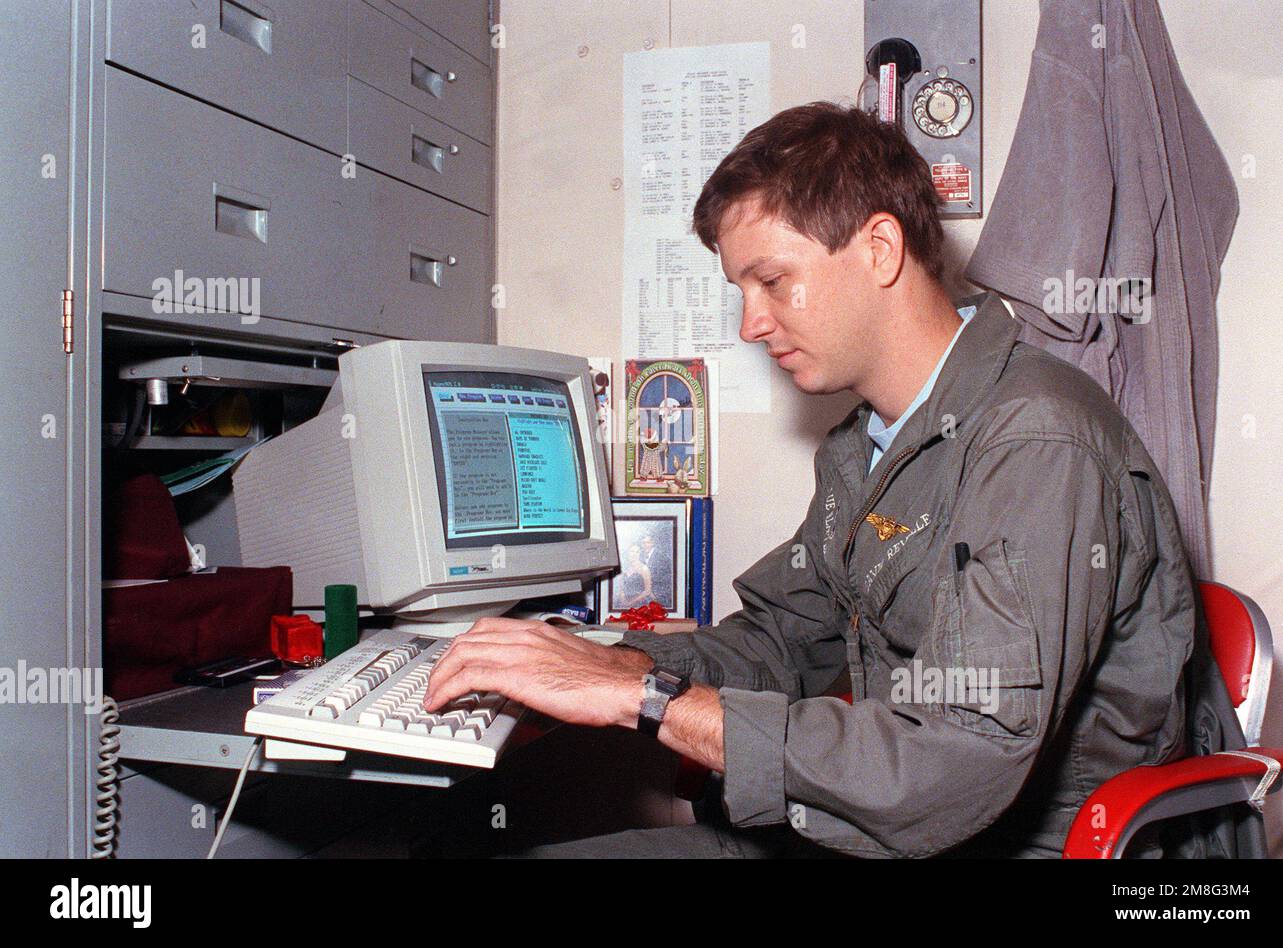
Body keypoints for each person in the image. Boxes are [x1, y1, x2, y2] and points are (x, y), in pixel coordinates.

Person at [421, 103, 1235, 858]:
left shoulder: (1036, 445)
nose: (750, 323)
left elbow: (955, 759)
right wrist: (588, 659)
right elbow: (778, 642)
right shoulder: (867, 447)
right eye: (742, 290)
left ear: (879, 250)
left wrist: (647, 700)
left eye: (772, 281)